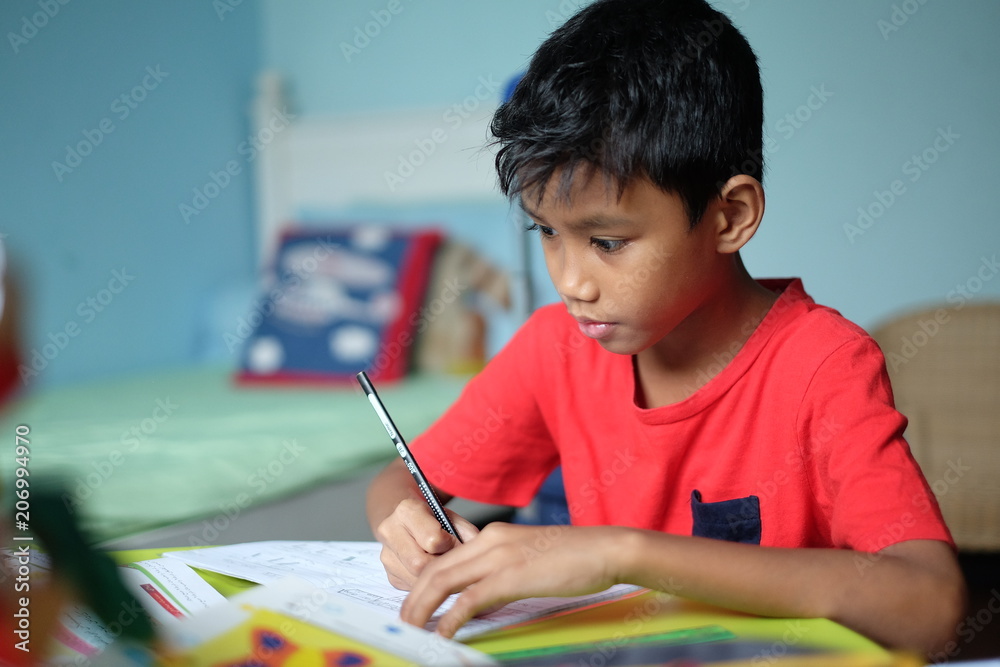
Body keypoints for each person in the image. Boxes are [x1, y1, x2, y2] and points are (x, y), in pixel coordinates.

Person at [365, 0, 965, 654]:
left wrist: (623, 552)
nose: (572, 282)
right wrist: (410, 531)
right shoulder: (556, 347)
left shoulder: (823, 365)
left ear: (730, 216)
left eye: (606, 242)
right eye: (547, 233)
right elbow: (399, 479)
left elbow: (929, 603)